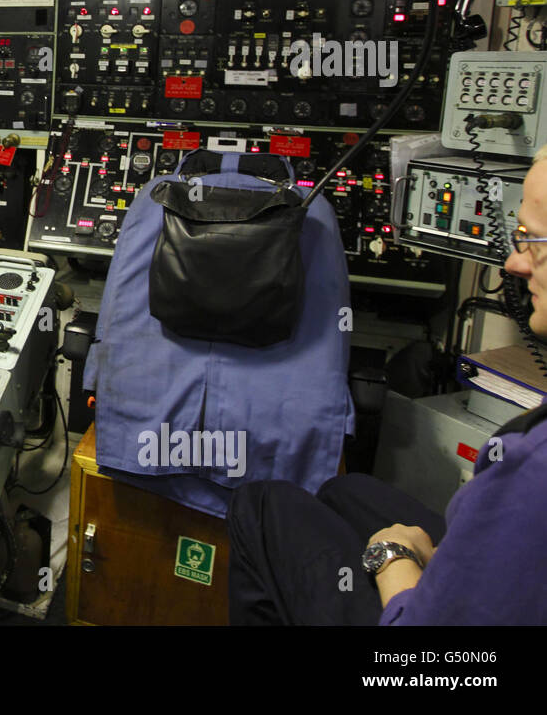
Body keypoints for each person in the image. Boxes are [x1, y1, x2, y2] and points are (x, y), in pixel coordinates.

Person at [227, 145, 547, 625]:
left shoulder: (531, 469)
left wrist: (393, 555)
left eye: (534, 240)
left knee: (261, 504)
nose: (515, 265)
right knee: (344, 490)